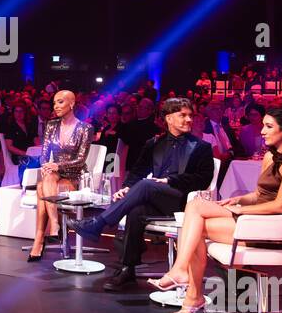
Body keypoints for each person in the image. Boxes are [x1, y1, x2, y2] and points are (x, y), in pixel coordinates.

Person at [151, 107, 282, 313]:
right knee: (195, 212)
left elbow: (280, 206)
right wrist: (237, 200)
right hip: (252, 220)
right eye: (263, 125)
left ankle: (189, 289)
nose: (262, 131)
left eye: (269, 126)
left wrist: (241, 210)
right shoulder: (271, 156)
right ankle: (186, 285)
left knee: (193, 222)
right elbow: (260, 195)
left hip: (269, 229)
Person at [66, 98, 215, 291]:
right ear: (169, 119)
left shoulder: (201, 147)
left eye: (190, 116)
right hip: (157, 199)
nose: (188, 120)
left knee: (146, 184)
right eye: (182, 115)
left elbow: (203, 180)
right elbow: (137, 171)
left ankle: (99, 223)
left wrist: (171, 181)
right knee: (136, 210)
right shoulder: (154, 143)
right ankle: (127, 270)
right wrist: (127, 187)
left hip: (184, 203)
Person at [28, 90, 91, 261]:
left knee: (41, 187)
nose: (55, 106)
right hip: (53, 174)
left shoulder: (85, 128)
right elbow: (44, 153)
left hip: (73, 176)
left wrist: (57, 165)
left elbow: (80, 160)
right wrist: (46, 165)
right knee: (47, 179)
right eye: (54, 102)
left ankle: (38, 241)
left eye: (60, 102)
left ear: (72, 104)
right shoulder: (51, 125)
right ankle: (55, 225)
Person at [118, 97, 159, 174]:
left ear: (150, 110)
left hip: (142, 162)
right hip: (131, 161)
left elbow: (129, 140)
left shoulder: (152, 126)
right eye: (139, 106)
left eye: (142, 107)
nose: (139, 109)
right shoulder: (133, 122)